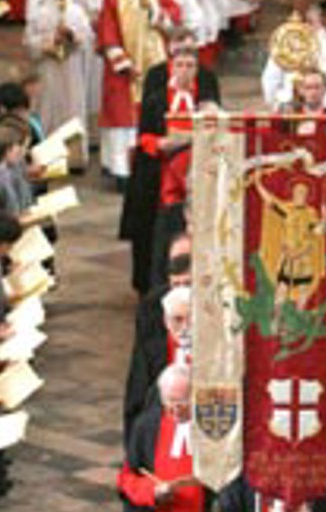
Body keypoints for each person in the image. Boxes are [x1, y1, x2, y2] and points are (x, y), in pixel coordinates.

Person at [120, 48, 217, 296]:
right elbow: (144, 137)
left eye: (189, 65)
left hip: (197, 176)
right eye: (180, 65)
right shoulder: (156, 100)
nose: (184, 71)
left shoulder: (205, 102)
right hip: (161, 178)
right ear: (171, 68)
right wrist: (161, 144)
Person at [96, 0, 176, 186]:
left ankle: (154, 165)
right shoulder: (113, 3)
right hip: (124, 73)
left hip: (156, 65)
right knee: (122, 118)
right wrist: (124, 64)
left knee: (156, 113)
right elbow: (108, 35)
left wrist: (154, 10)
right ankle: (122, 170)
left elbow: (172, 23)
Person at [118, 364, 215, 510]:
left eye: (183, 401)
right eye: (170, 400)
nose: (176, 408)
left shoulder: (213, 428)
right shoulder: (147, 427)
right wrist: (153, 492)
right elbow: (127, 478)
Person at [24, 0, 93, 161]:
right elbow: (29, 42)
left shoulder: (76, 11)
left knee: (72, 109)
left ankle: (73, 158)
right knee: (48, 109)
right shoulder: (39, 13)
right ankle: (47, 155)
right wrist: (50, 41)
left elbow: (87, 39)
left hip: (71, 69)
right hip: (48, 69)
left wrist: (72, 36)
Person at [124, 286, 193, 444]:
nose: (185, 327)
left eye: (191, 319)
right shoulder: (151, 350)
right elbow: (137, 397)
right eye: (178, 320)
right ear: (166, 321)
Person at [260, 4, 326, 111]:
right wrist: (275, 102)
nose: (305, 27)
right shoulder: (286, 41)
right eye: (303, 22)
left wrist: (311, 71)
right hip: (287, 104)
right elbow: (270, 77)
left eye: (310, 22)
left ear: (320, 19)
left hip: (321, 106)